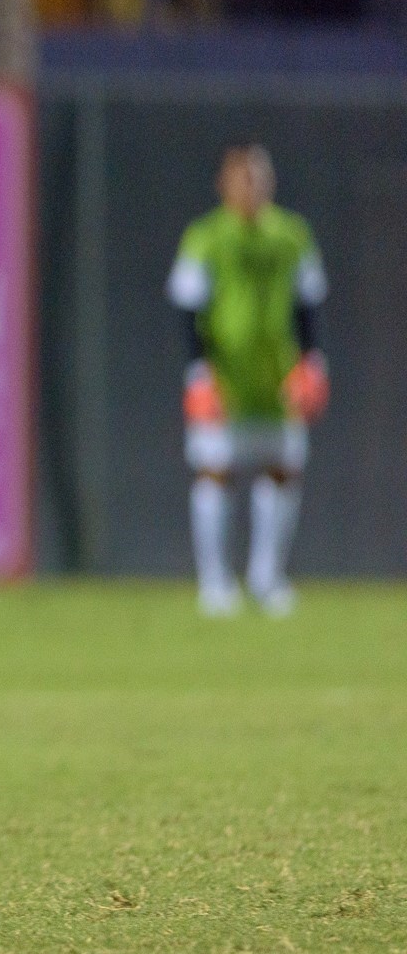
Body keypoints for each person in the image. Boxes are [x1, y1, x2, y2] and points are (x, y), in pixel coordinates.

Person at [166, 143, 327, 618]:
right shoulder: (206, 236)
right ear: (224, 184)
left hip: (276, 376)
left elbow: (308, 303)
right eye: (242, 178)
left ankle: (266, 577)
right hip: (226, 377)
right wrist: (199, 373)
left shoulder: (292, 234)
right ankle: (215, 582)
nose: (251, 186)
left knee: (281, 471)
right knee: (215, 472)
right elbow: (187, 307)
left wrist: (312, 363)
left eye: (259, 177)